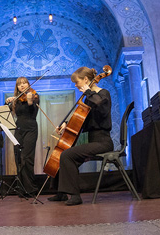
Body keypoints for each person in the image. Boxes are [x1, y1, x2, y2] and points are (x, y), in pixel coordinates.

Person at [48, 67, 112, 206]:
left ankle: (75, 196)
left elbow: (102, 108)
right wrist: (67, 124)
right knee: (62, 155)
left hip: (103, 141)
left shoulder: (103, 94)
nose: (76, 85)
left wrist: (88, 92)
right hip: (93, 141)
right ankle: (61, 193)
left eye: (77, 82)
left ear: (86, 80)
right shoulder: (89, 99)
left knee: (67, 155)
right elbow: (83, 119)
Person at [5, 77, 39, 198]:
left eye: (24, 83)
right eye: (20, 84)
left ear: (28, 84)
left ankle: (31, 189)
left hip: (31, 129)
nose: (22, 86)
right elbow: (6, 112)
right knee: (18, 158)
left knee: (27, 158)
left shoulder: (34, 95)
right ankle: (21, 188)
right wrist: (7, 102)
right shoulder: (17, 100)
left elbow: (32, 109)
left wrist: (30, 101)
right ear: (17, 87)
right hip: (18, 129)